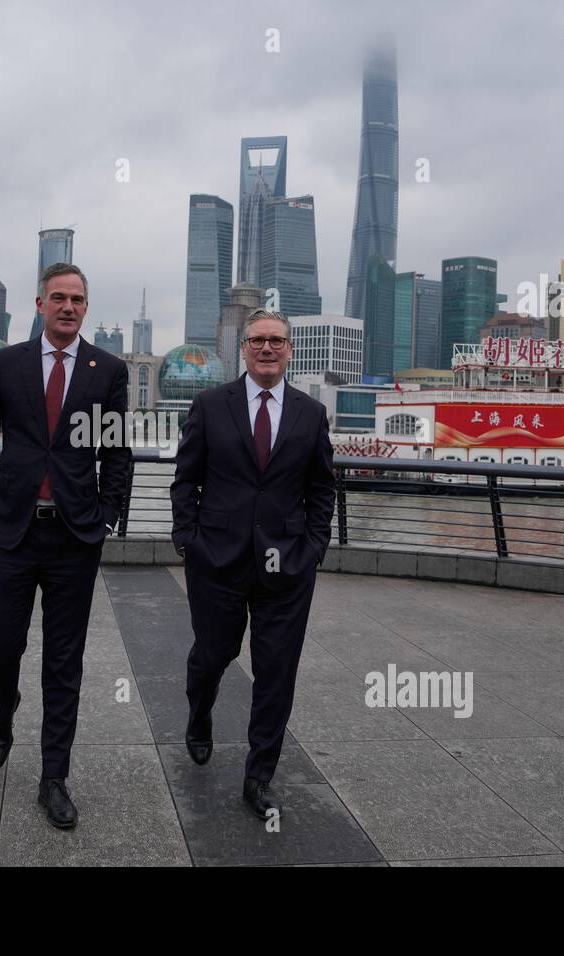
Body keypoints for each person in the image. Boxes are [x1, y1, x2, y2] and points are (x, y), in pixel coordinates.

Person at [0, 262, 130, 829]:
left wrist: (107, 517)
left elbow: (117, 453)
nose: (68, 307)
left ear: (86, 308)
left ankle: (53, 777)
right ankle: (4, 710)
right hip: (12, 530)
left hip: (75, 536)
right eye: (58, 298)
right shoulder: (8, 364)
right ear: (39, 305)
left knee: (64, 661)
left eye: (78, 300)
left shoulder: (109, 372)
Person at [170, 309, 336, 819]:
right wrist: (188, 541)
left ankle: (259, 774)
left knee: (276, 672)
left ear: (289, 350)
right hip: (217, 560)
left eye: (276, 341)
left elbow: (321, 487)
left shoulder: (311, 414)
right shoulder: (209, 405)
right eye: (258, 340)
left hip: (286, 566)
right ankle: (200, 715)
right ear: (242, 348)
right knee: (212, 656)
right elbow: (186, 480)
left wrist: (312, 548)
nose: (267, 349)